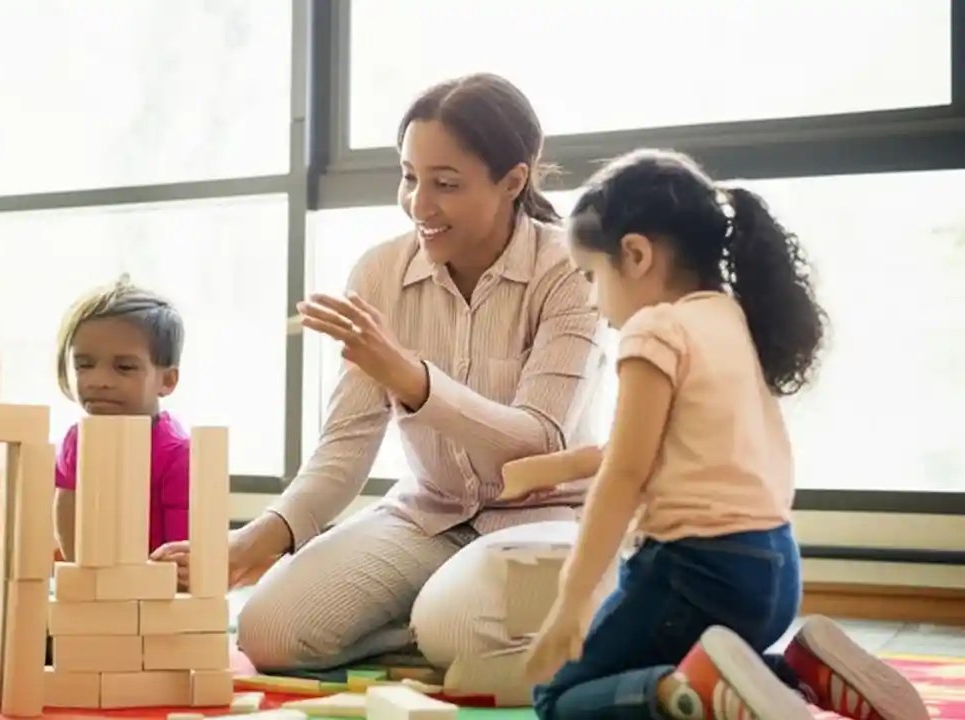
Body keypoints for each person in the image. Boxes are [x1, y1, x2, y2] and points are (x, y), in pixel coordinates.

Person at [152, 73, 608, 679]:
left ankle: (470, 626)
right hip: (429, 514)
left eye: (446, 184)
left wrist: (411, 377)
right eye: (409, 176)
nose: (419, 203)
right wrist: (249, 544)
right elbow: (344, 450)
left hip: (548, 517)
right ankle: (444, 633)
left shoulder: (569, 269)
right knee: (268, 633)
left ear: (513, 180)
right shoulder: (380, 273)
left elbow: (537, 442)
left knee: (458, 628)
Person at [524, 148, 928, 719]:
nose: (593, 301)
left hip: (694, 572)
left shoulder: (653, 330)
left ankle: (694, 693)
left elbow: (626, 473)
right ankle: (800, 675)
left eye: (591, 276)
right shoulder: (728, 318)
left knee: (558, 700)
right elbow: (659, 448)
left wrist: (570, 601)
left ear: (635, 254)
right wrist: (551, 468)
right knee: (656, 671)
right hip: (775, 570)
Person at [51, 275, 190, 563]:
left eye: (124, 367)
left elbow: (182, 545)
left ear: (167, 380)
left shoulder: (177, 452)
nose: (99, 380)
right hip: (99, 580)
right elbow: (67, 512)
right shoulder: (77, 440)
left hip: (159, 587)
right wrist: (83, 572)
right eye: (84, 365)